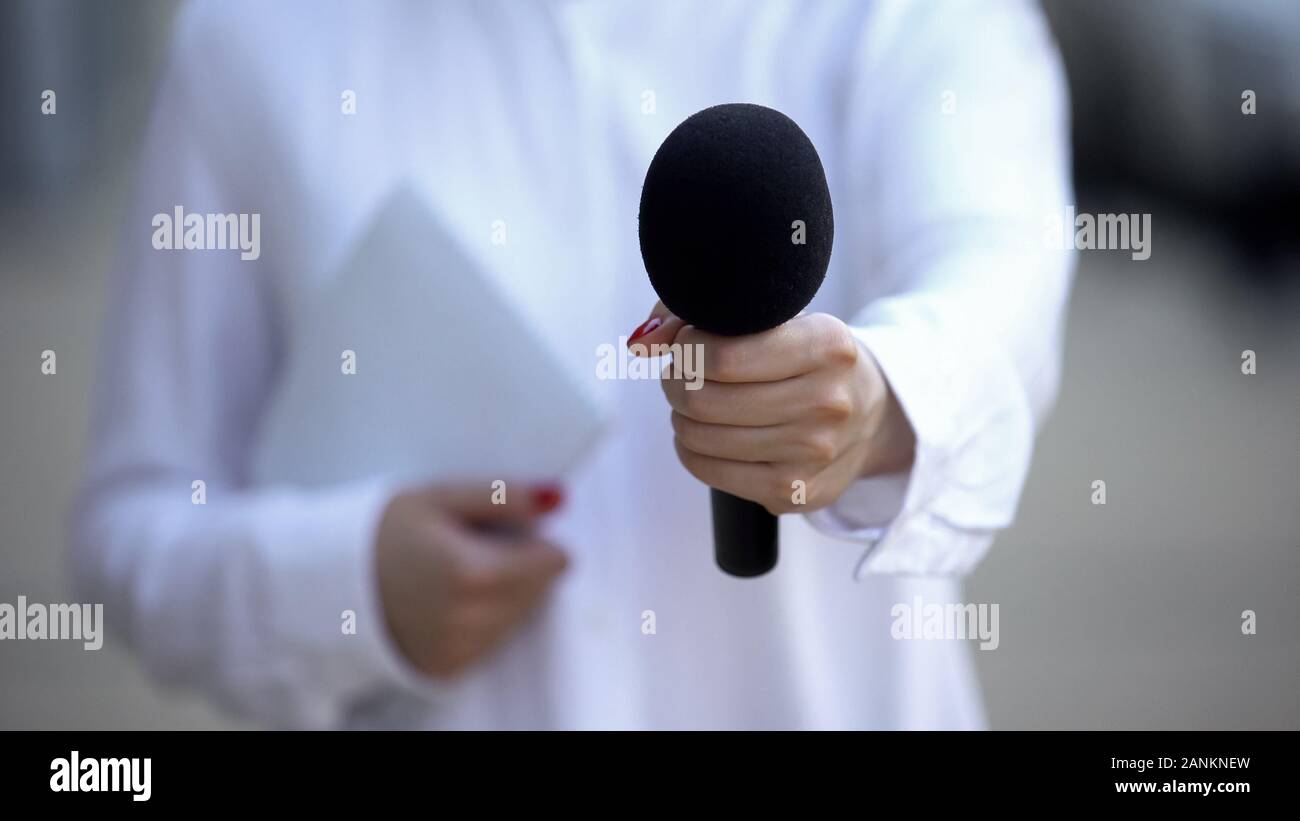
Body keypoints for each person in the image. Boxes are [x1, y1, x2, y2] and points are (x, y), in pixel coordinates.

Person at [72, 0, 1074, 729]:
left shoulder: (907, 19)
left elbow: (994, 287)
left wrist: (876, 398)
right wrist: (343, 584)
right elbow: (136, 523)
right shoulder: (250, 42)